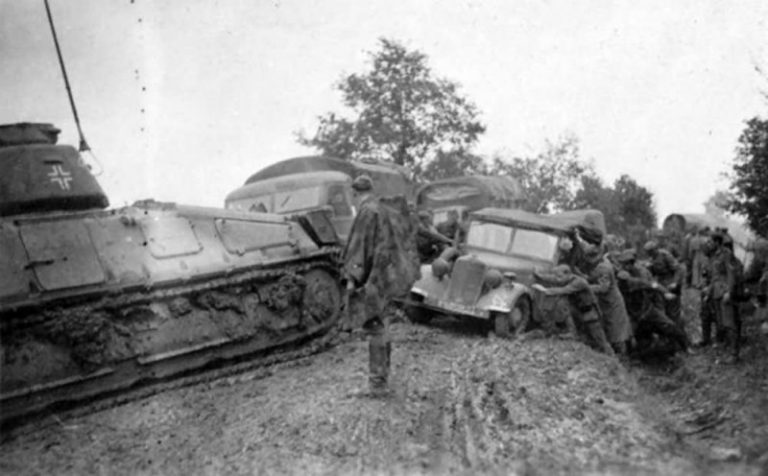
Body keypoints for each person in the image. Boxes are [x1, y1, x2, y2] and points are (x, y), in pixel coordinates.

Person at [342, 174, 420, 396]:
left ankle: (377, 384)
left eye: (352, 196)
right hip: (388, 276)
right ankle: (383, 378)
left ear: (354, 194)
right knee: (383, 325)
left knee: (375, 326)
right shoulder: (382, 208)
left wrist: (351, 279)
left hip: (374, 279)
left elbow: (359, 247)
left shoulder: (366, 212)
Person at [615, 248, 690, 356]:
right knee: (630, 334)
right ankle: (632, 356)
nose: (623, 267)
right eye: (622, 265)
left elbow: (653, 285)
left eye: (625, 265)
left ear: (630, 264)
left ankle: (684, 347)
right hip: (634, 314)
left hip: (647, 310)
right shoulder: (621, 279)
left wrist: (665, 293)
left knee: (669, 326)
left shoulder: (636, 280)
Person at [532, 264, 615, 356]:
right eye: (557, 276)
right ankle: (572, 332)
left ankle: (611, 356)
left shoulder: (578, 282)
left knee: (599, 337)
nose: (557, 279)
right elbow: (554, 279)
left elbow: (565, 290)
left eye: (559, 276)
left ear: (568, 274)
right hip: (579, 310)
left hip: (589, 312)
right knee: (564, 307)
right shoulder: (566, 279)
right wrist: (539, 275)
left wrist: (547, 291)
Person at [581, 248, 633, 355]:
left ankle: (623, 357)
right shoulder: (602, 264)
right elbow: (593, 277)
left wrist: (586, 287)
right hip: (607, 301)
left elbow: (603, 288)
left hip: (612, 302)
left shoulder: (603, 268)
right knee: (611, 327)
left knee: (617, 330)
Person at [703, 233, 743, 361]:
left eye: (710, 242)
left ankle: (734, 354)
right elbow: (715, 277)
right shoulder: (712, 255)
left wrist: (729, 292)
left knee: (729, 323)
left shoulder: (726, 253)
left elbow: (731, 274)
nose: (708, 244)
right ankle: (726, 349)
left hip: (724, 292)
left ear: (717, 242)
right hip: (716, 292)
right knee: (721, 324)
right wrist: (708, 292)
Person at [644, 240, 686, 333]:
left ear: (655, 249)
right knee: (663, 310)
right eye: (648, 253)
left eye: (651, 252)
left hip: (670, 282)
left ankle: (679, 333)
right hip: (661, 283)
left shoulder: (665, 255)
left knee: (674, 312)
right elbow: (653, 273)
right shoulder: (651, 259)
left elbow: (678, 269)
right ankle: (670, 333)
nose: (650, 254)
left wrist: (675, 282)